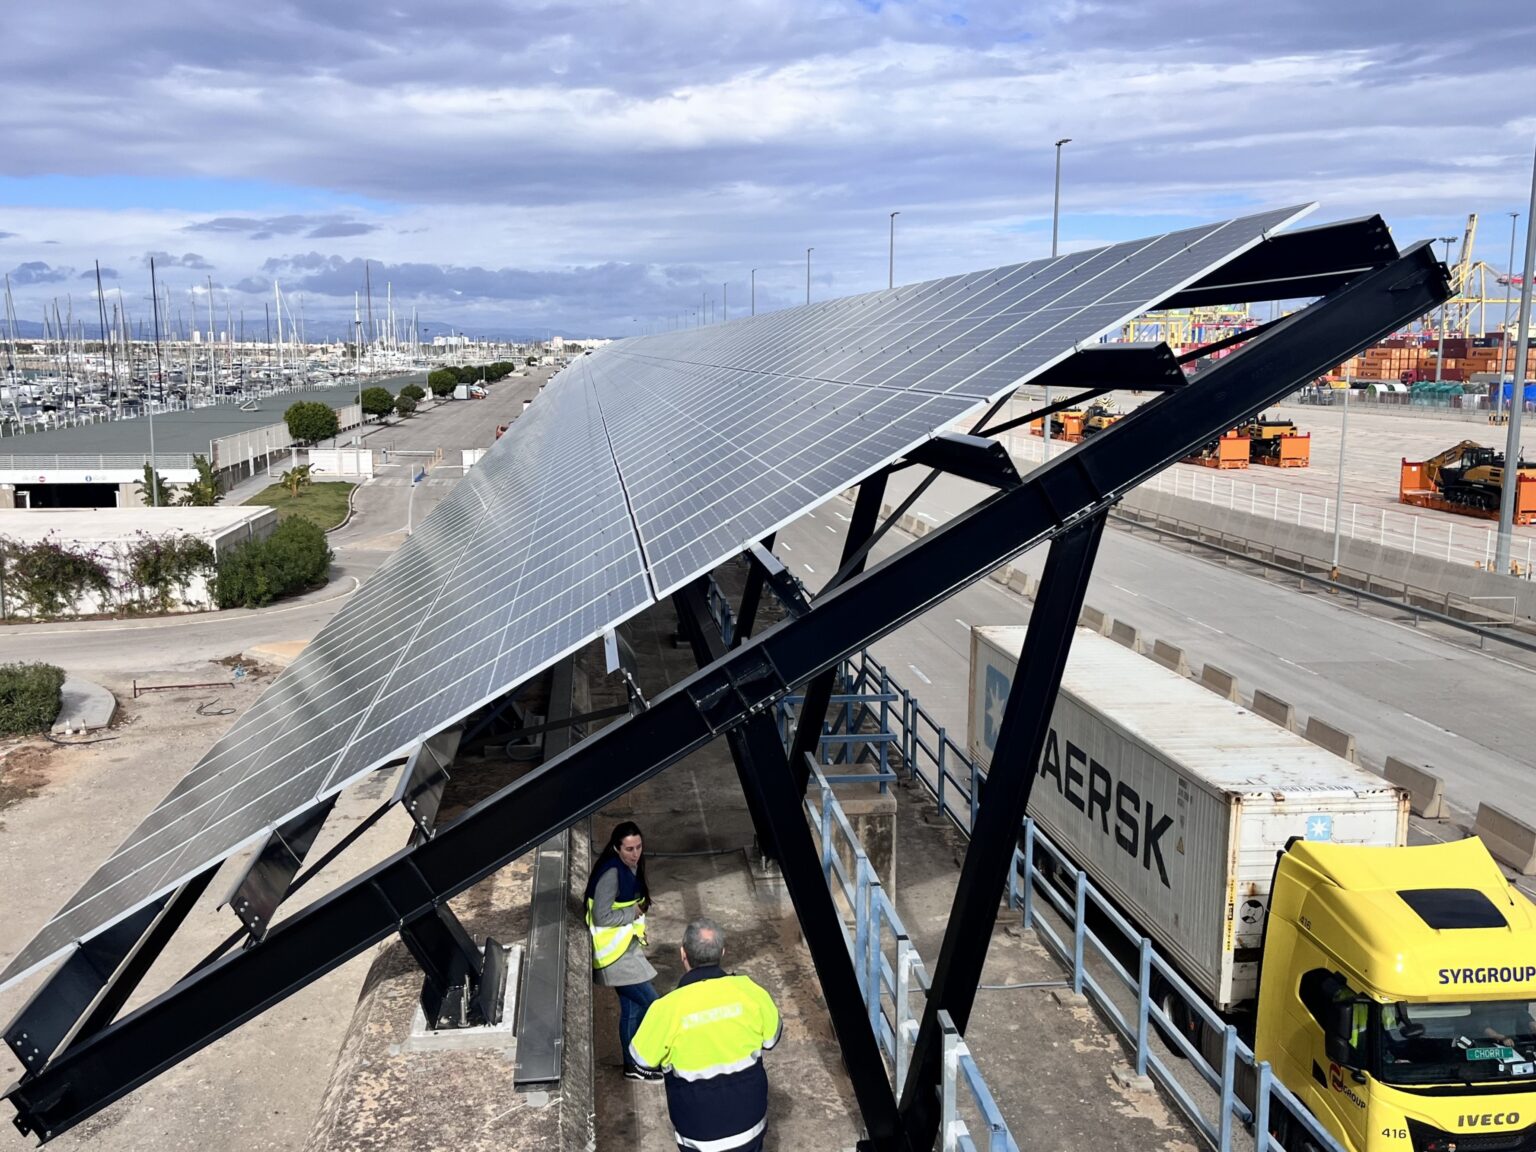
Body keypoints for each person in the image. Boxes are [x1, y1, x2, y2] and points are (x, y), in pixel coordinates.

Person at [629, 918, 782, 1152]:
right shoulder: (750, 991)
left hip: (698, 1132)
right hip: (750, 1124)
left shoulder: (666, 1009)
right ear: (722, 952)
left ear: (683, 954)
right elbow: (772, 1038)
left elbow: (641, 1062)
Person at [585, 820, 661, 1081]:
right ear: (617, 848)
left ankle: (633, 1065)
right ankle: (640, 1060)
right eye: (629, 849)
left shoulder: (630, 866)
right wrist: (633, 913)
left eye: (638, 847)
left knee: (631, 1010)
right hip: (614, 957)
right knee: (653, 1004)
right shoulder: (611, 874)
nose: (635, 853)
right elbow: (601, 916)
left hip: (624, 950)